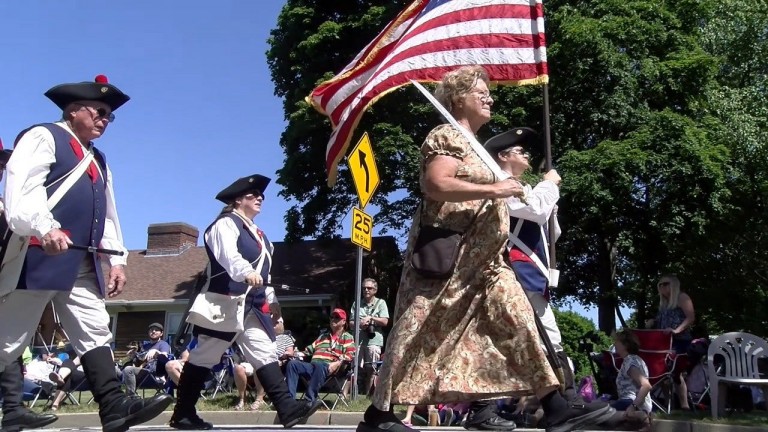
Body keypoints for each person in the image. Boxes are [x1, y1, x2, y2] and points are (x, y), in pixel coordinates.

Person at [356, 66, 614, 432]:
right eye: (481, 92)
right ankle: (379, 415)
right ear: (459, 98)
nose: (490, 97)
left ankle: (556, 407)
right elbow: (437, 184)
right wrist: (496, 189)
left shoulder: (477, 147)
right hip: (450, 261)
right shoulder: (447, 135)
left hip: (489, 263)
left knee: (520, 320)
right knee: (415, 330)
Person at [0, 76, 173, 432]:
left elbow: (108, 214)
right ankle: (13, 409)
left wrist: (118, 258)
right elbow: (22, 191)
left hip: (81, 261)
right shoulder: (43, 136)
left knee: (95, 332)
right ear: (74, 110)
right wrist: (43, 226)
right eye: (100, 111)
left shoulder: (98, 159)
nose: (105, 120)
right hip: (38, 254)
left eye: (109, 116)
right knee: (9, 338)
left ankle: (114, 406)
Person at [169, 174, 320, 429]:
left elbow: (265, 274)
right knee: (205, 355)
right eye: (254, 195)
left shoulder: (261, 236)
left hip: (251, 305)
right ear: (238, 200)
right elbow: (229, 255)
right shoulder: (225, 224)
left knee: (264, 352)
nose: (260, 198)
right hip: (225, 301)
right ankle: (183, 413)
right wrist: (244, 272)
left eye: (261, 196)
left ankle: (287, 408)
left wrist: (272, 301)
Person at [484, 127, 581, 401]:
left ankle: (560, 400)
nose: (526, 155)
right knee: (538, 335)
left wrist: (552, 204)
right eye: (519, 151)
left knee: (541, 335)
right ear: (503, 156)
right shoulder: (501, 183)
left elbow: (551, 234)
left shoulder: (523, 188)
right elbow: (536, 211)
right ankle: (565, 399)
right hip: (518, 270)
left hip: (531, 272)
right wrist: (548, 184)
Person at [645, 274, 695, 410]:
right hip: (664, 342)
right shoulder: (664, 304)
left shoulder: (682, 297)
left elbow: (690, 317)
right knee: (659, 370)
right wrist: (652, 322)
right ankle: (668, 403)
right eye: (659, 285)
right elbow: (661, 322)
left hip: (680, 341)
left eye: (665, 284)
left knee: (676, 371)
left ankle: (684, 405)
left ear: (673, 285)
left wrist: (677, 330)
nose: (662, 287)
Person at [285, 308, 356, 402]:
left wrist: (338, 363)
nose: (333, 319)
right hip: (313, 367)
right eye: (332, 317)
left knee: (320, 365)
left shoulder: (347, 337)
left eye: (337, 318)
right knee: (292, 364)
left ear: (343, 322)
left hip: (330, 368)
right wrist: (293, 354)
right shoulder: (323, 336)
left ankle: (309, 400)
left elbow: (351, 355)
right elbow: (308, 351)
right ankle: (289, 401)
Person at [604, 330, 652, 431]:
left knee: (599, 413)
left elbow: (646, 385)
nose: (614, 344)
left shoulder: (630, 361)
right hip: (631, 402)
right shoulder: (632, 360)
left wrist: (633, 406)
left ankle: (641, 417)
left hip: (631, 402)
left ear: (625, 345)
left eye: (617, 341)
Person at [349, 278, 389, 396]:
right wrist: (360, 323)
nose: (366, 290)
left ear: (375, 290)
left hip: (374, 341)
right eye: (364, 288)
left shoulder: (381, 303)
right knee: (356, 368)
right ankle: (354, 394)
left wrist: (371, 319)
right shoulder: (357, 304)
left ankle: (369, 394)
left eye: (369, 288)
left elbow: (385, 321)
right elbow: (350, 323)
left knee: (372, 368)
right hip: (359, 340)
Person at [122, 323, 171, 395]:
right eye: (151, 330)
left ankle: (131, 397)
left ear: (161, 333)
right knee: (115, 370)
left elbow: (165, 356)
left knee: (128, 370)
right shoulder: (144, 345)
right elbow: (140, 359)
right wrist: (132, 355)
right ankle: (114, 398)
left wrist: (156, 351)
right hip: (140, 370)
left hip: (152, 373)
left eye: (156, 330)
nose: (153, 331)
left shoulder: (163, 344)